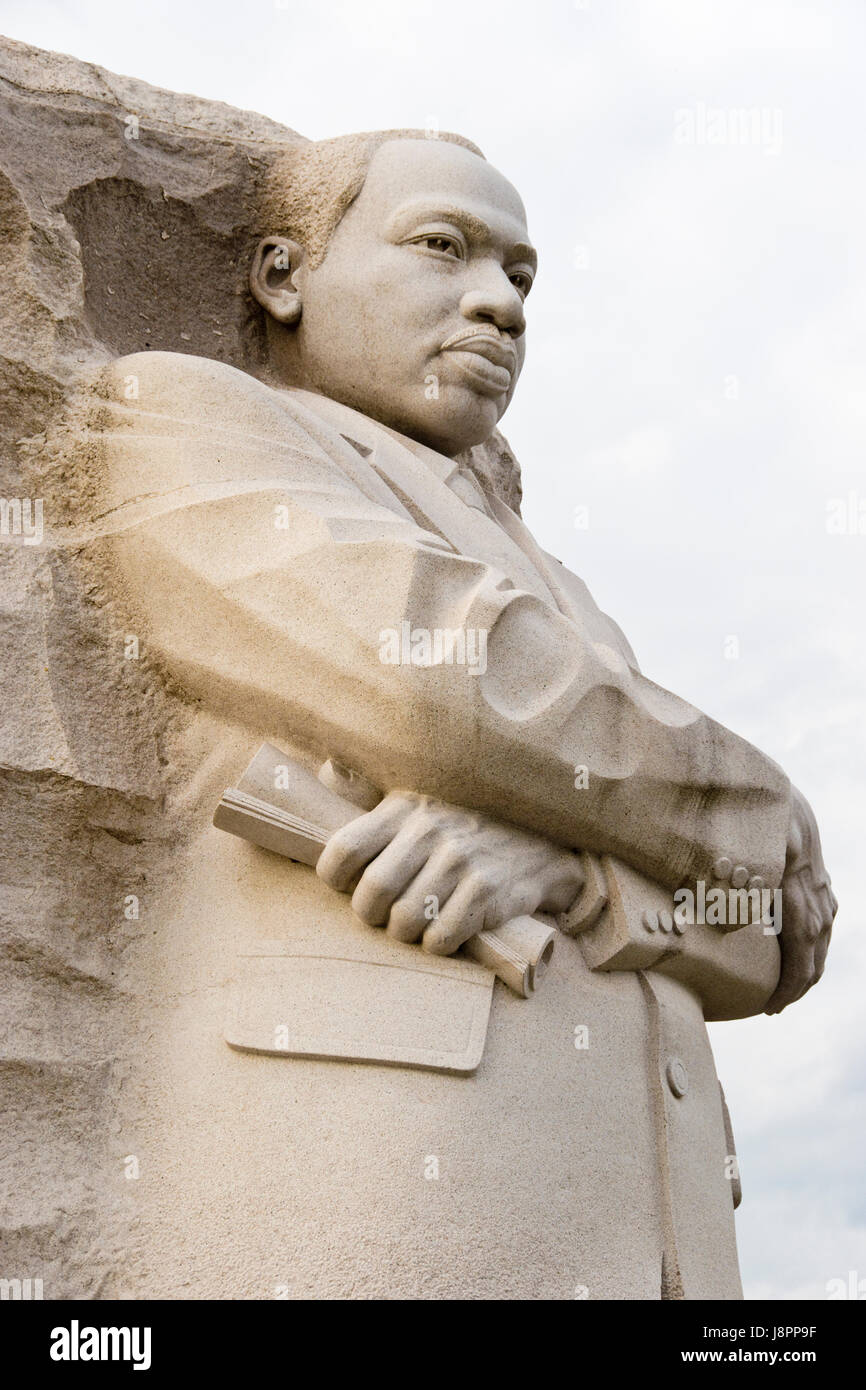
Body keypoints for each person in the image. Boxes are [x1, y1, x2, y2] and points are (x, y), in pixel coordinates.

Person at [77, 130, 836, 1299]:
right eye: (443, 247)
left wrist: (576, 873)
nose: (499, 304)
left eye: (520, 276)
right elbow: (449, 688)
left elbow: (775, 940)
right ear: (283, 277)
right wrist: (760, 804)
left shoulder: (567, 597)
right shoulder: (185, 416)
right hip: (387, 1203)